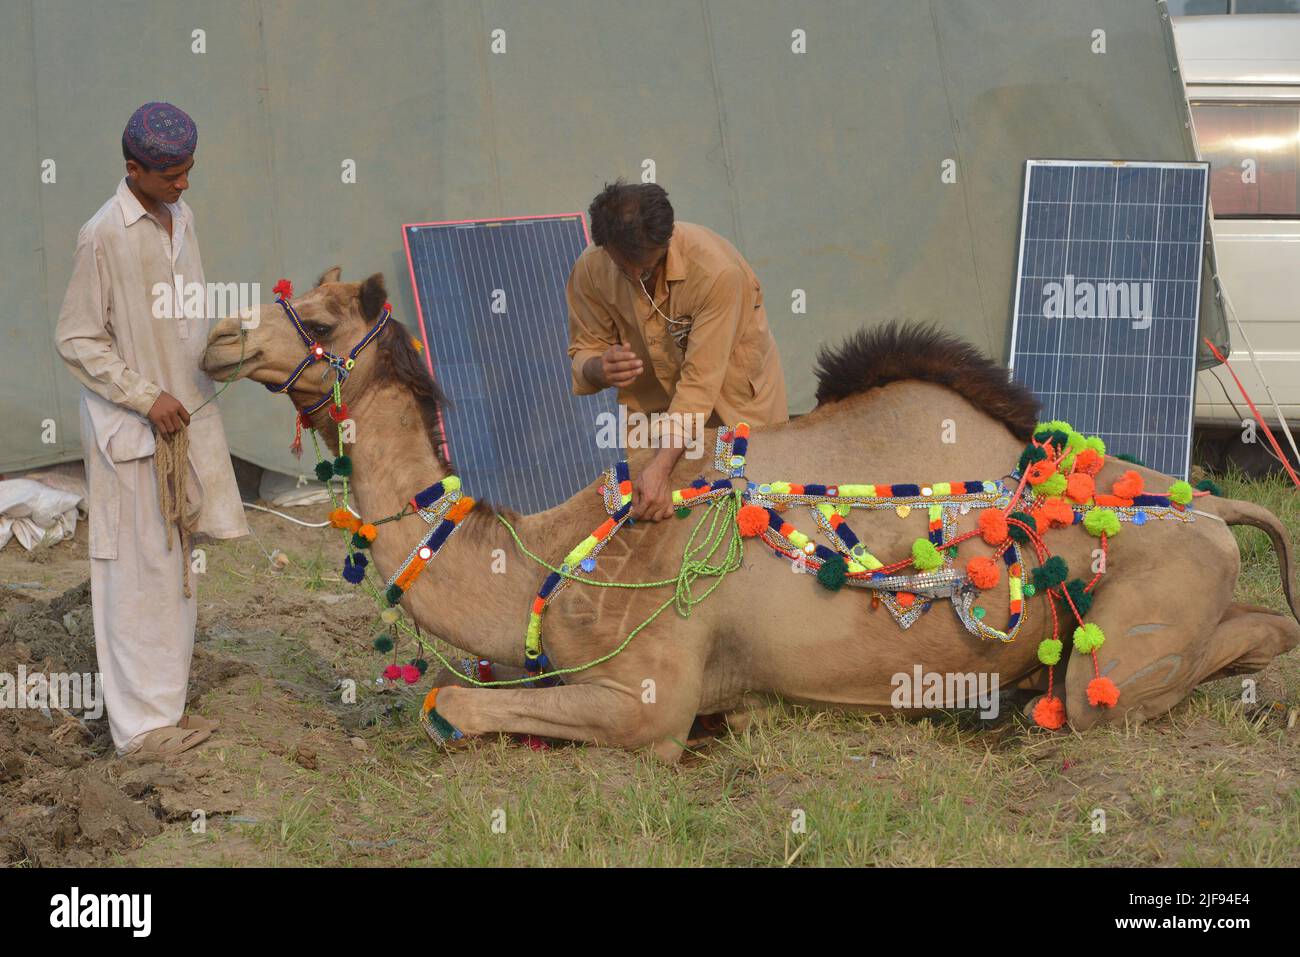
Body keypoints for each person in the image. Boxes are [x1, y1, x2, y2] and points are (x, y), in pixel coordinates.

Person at [54, 102, 248, 758]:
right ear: (133, 169)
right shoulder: (102, 234)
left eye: (190, 171)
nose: (184, 184)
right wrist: (144, 396)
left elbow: (184, 314)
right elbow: (76, 337)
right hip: (131, 431)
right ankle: (137, 734)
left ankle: (165, 713)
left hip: (182, 422)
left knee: (175, 572)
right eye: (171, 174)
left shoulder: (182, 218)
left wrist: (221, 344)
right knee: (132, 576)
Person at [567, 181, 788, 520]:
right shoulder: (591, 269)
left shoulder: (717, 273)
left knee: (754, 513)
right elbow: (584, 349)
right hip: (651, 411)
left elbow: (699, 384)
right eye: (624, 268)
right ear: (605, 247)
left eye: (647, 267)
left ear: (666, 238)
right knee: (652, 516)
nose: (637, 276)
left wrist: (661, 466)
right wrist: (599, 368)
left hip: (738, 404)